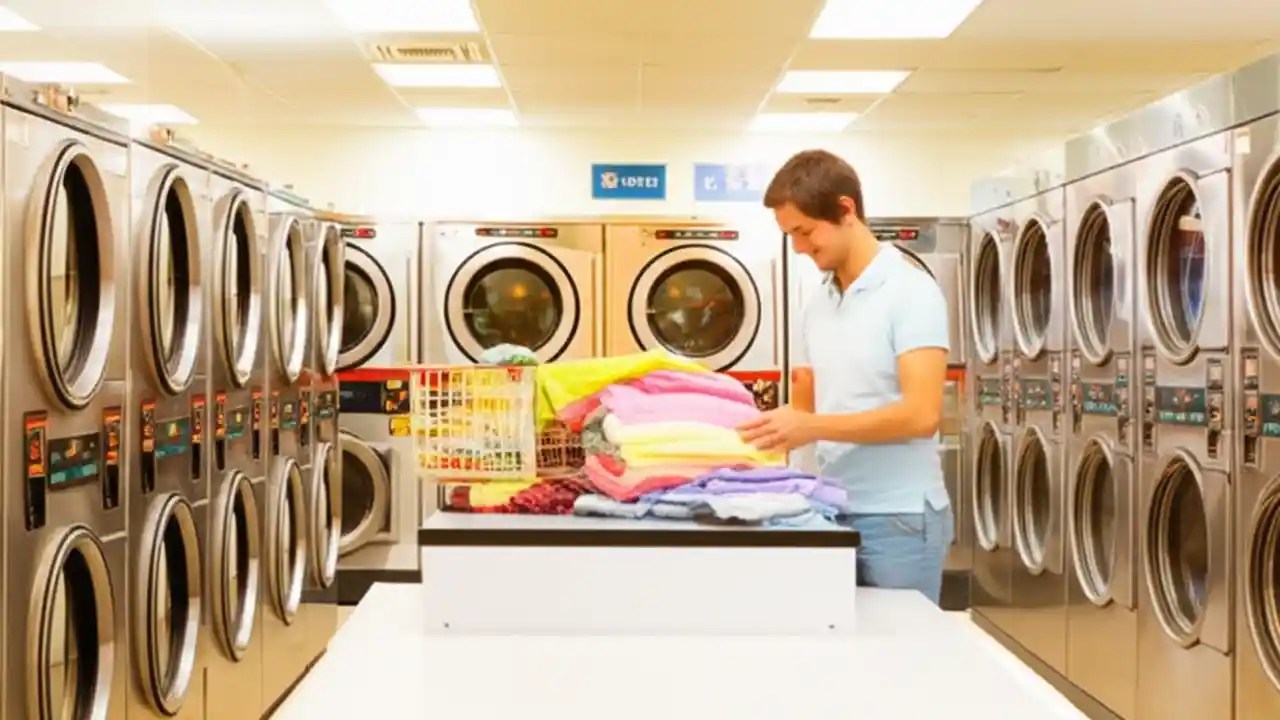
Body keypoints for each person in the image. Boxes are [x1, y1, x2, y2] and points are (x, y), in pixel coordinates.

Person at [737, 149, 955, 604]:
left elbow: (921, 416)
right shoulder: (818, 303)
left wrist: (811, 425)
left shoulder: (910, 292)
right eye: (790, 235)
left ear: (845, 210)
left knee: (902, 660)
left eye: (804, 231)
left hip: (900, 517)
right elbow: (805, 407)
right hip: (829, 510)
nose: (798, 247)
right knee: (842, 659)